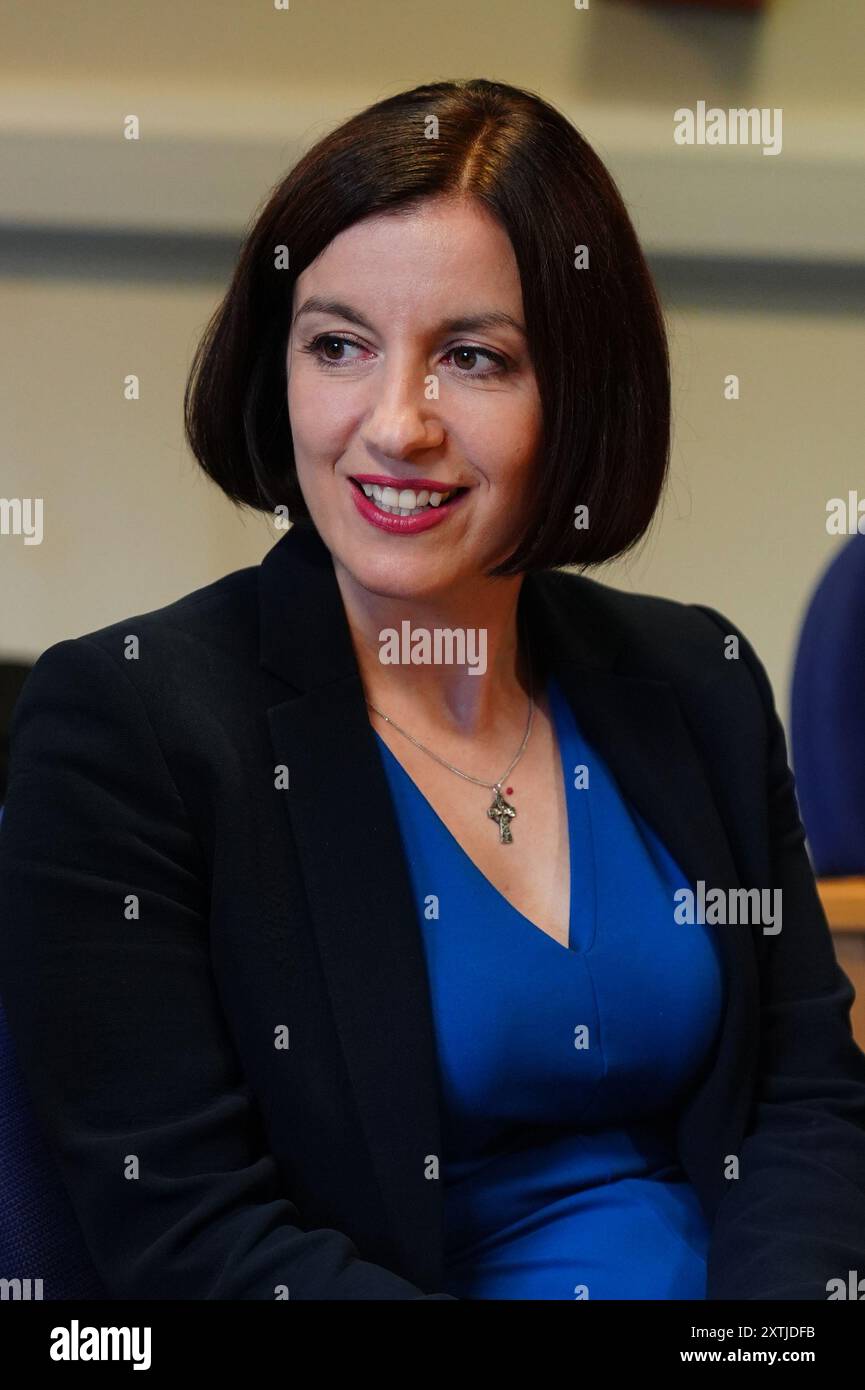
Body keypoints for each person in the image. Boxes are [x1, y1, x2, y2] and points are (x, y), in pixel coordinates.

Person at [2, 77, 865, 1302]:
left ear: (578, 390)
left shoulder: (692, 681)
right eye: (338, 345)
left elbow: (805, 1101)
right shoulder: (130, 728)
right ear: (277, 367)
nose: (395, 423)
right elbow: (193, 1236)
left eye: (472, 358)